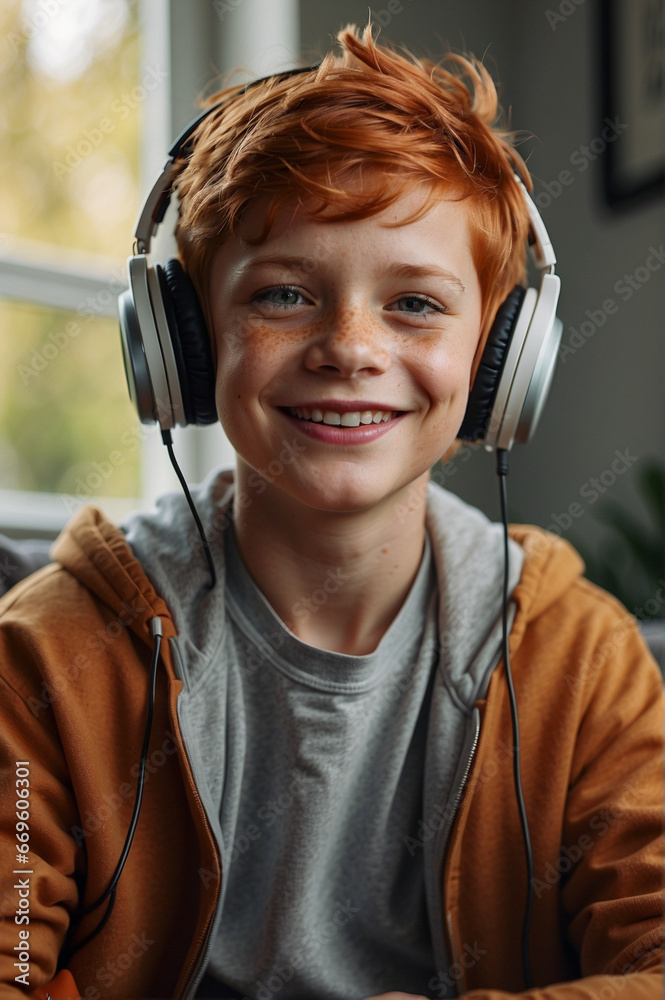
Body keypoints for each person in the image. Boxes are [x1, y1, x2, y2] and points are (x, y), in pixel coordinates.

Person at [0, 23, 662, 1000]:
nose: (350, 347)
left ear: (498, 361)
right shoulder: (51, 654)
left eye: (415, 304)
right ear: (184, 342)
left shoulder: (580, 662)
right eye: (282, 294)